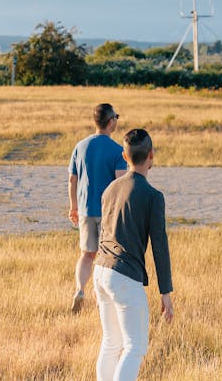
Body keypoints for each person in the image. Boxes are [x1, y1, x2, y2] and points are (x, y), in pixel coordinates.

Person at [92, 128, 173, 381]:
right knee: (135, 347)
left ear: (125, 157)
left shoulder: (109, 189)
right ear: (151, 155)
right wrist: (166, 293)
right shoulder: (153, 196)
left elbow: (103, 231)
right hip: (124, 276)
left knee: (111, 342)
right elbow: (159, 246)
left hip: (100, 271)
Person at [68, 103, 127, 312]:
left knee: (86, 254)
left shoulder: (80, 146)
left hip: (84, 209)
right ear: (111, 122)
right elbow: (120, 184)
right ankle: (101, 295)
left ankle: (80, 289)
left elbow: (72, 179)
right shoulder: (117, 151)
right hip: (107, 212)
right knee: (107, 256)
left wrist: (73, 206)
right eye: (116, 117)